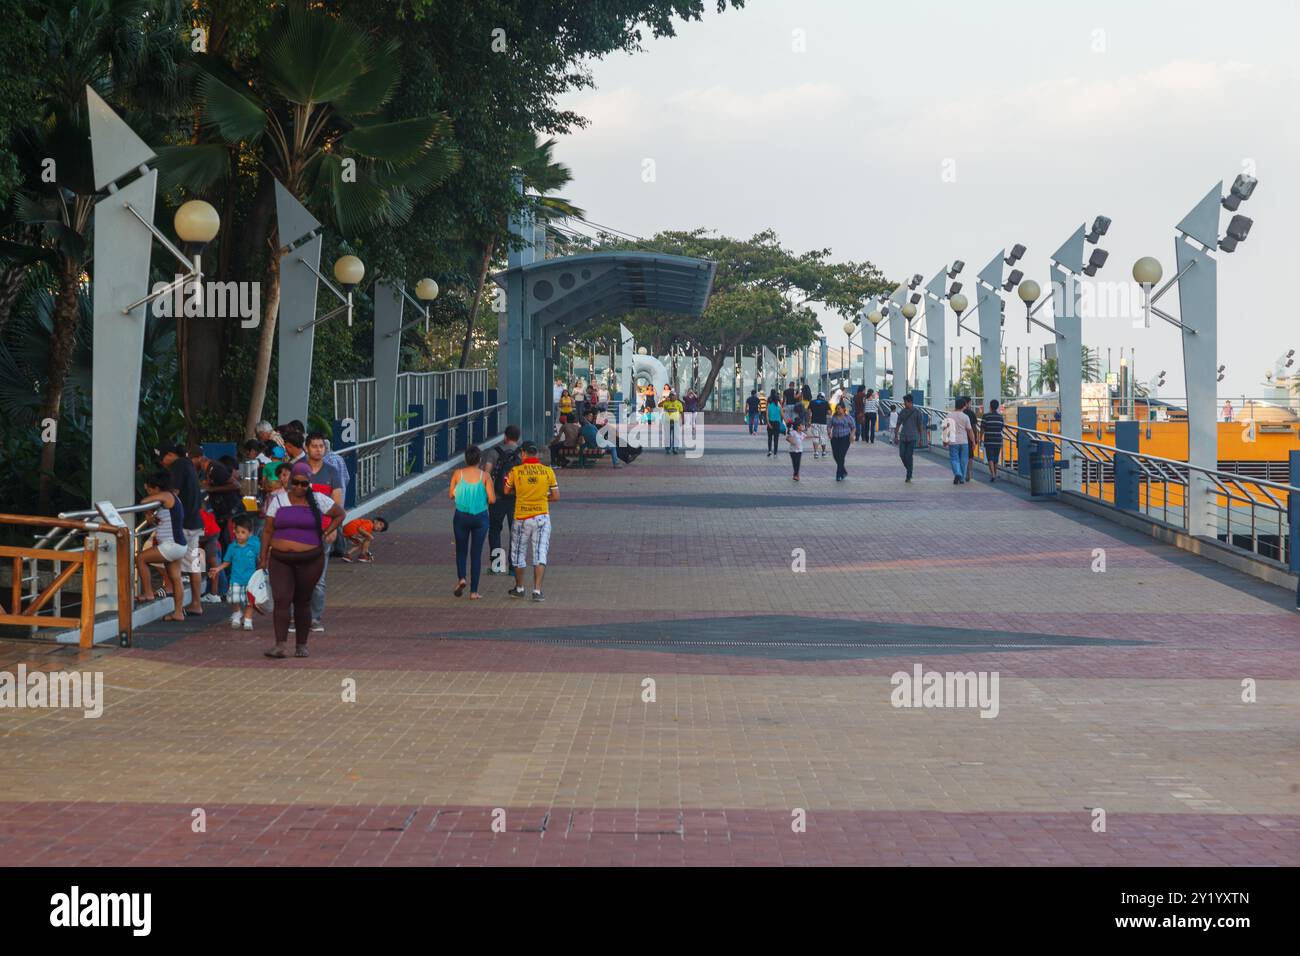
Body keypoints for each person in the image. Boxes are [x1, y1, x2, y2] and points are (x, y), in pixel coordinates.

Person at [259, 462, 345, 658]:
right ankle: (280, 644)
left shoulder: (318, 500)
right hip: (280, 560)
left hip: (310, 560)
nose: (299, 487)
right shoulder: (278, 500)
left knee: (302, 601)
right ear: (290, 482)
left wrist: (327, 532)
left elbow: (340, 514)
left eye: (303, 484)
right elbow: (268, 530)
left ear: (309, 484)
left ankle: (301, 645)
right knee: (282, 599)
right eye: (295, 483)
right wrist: (263, 557)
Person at [504, 441, 558, 602]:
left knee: (518, 553)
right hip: (542, 517)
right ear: (536, 454)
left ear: (523, 454)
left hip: (522, 517)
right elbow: (556, 496)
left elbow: (506, 491)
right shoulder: (548, 471)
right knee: (540, 553)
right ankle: (537, 590)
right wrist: (541, 497)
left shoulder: (516, 471)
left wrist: (520, 492)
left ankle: (519, 588)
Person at [156, 443, 206, 615]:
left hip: (182, 525)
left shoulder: (178, 465)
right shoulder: (190, 465)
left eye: (162, 458)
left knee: (170, 564)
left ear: (170, 454)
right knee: (194, 566)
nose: (163, 463)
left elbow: (173, 492)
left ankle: (176, 607)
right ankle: (196, 604)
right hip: (196, 523)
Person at [302, 431, 344, 633]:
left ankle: (315, 618)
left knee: (318, 579)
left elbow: (337, 504)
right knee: (298, 575)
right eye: (314, 446)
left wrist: (332, 529)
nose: (318, 450)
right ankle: (298, 616)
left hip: (324, 531)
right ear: (306, 448)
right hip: (300, 530)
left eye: (321, 446)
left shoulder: (332, 472)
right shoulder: (298, 470)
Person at [135, 470, 188, 621]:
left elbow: (144, 502)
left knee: (141, 558)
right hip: (178, 545)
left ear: (157, 488)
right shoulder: (173, 498)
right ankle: (178, 612)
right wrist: (152, 514)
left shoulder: (166, 495)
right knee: (175, 577)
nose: (149, 492)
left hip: (171, 545)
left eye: (150, 489)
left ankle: (148, 592)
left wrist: (148, 510)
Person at [449, 445, 495, 599]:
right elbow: (493, 499)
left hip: (461, 516)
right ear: (480, 460)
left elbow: (451, 495)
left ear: (466, 459)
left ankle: (462, 578)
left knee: (461, 551)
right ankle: (474, 592)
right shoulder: (485, 477)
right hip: (481, 518)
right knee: (476, 554)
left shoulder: (457, 474)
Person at [209, 515, 260, 630]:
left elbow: (261, 556)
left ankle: (248, 619)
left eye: (243, 532)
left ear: (250, 533)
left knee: (249, 601)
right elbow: (227, 561)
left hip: (251, 580)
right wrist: (218, 569)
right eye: (237, 532)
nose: (240, 535)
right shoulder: (232, 547)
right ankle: (237, 613)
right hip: (235, 579)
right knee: (233, 599)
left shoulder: (254, 545)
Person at [943, 396, 978, 485]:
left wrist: (944, 440)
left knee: (954, 459)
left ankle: (957, 473)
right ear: (963, 406)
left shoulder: (949, 415)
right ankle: (962, 478)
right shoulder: (966, 417)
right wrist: (973, 442)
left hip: (953, 441)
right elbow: (970, 431)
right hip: (964, 442)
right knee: (964, 460)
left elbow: (945, 429)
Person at [893, 394, 926, 483]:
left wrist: (921, 439)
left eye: (905, 402)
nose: (904, 404)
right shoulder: (902, 412)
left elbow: (920, 426)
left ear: (910, 402)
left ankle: (909, 474)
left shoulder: (918, 412)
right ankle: (909, 470)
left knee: (908, 456)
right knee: (902, 455)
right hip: (903, 436)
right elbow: (898, 424)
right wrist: (896, 436)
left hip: (913, 437)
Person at [980, 399, 1006, 482]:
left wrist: (980, 438)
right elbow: (1001, 428)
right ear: (997, 407)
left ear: (990, 406)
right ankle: (995, 473)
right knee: (996, 457)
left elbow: (982, 428)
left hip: (989, 439)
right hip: (998, 439)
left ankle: (993, 474)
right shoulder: (1000, 417)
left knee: (990, 458)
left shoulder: (986, 416)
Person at [828, 401, 854, 481]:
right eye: (837, 409)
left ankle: (838, 474)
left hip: (845, 438)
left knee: (841, 456)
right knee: (836, 456)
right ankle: (844, 471)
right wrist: (829, 432)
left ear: (844, 409)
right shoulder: (833, 417)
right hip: (835, 438)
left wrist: (852, 435)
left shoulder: (848, 418)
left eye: (839, 409)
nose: (837, 410)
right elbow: (829, 426)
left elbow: (853, 427)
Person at [807, 392, 831, 459]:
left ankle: (816, 452)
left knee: (815, 437)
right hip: (823, 423)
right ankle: (823, 452)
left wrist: (809, 421)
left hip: (814, 422)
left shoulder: (812, 402)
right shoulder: (825, 402)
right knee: (823, 437)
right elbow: (829, 412)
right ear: (823, 397)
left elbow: (809, 412)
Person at [962, 398, 980, 482]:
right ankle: (968, 472)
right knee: (970, 456)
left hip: (960, 438)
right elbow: (974, 427)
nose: (970, 405)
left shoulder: (958, 413)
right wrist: (975, 439)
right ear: (967, 403)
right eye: (970, 403)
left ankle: (962, 472)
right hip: (969, 438)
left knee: (961, 455)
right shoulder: (971, 413)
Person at [765, 388, 784, 457]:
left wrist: (768, 423)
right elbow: (782, 414)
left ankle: (770, 450)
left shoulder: (769, 404)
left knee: (770, 438)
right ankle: (775, 453)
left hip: (770, 422)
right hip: (777, 423)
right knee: (776, 438)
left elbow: (766, 415)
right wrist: (782, 421)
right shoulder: (779, 405)